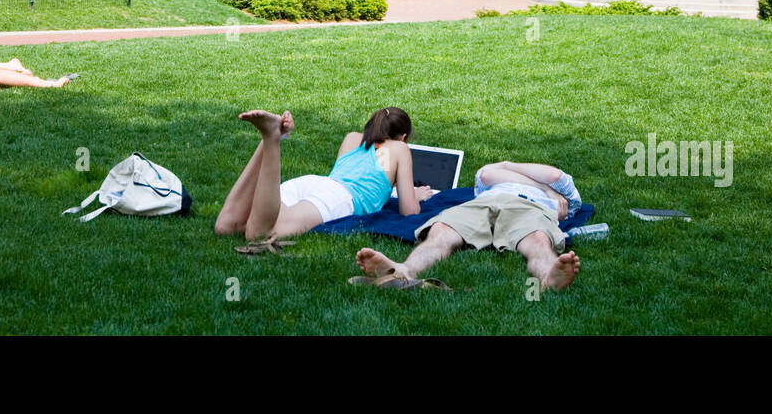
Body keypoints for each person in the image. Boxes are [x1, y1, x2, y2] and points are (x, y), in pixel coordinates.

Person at [355, 160, 583, 291]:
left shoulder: (570, 197)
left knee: (538, 239)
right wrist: (545, 189)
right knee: (441, 231)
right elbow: (488, 174)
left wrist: (543, 187)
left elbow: (552, 173)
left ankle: (549, 275)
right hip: (484, 203)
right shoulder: (486, 185)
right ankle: (404, 270)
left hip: (528, 207)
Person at [215, 107, 432, 244]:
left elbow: (367, 170)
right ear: (403, 137)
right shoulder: (400, 149)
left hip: (316, 184)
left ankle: (270, 140)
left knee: (227, 226)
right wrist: (416, 196)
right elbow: (408, 212)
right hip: (339, 197)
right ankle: (271, 138)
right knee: (259, 234)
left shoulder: (352, 138)